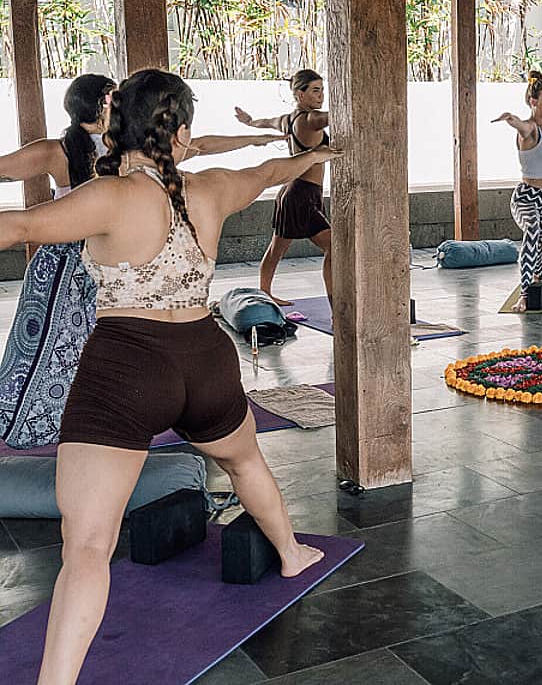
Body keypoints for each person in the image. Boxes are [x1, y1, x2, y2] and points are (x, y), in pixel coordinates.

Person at [2, 70, 335, 685]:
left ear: (117, 127)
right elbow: (269, 173)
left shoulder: (109, 196)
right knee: (245, 461)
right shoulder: (208, 187)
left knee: (88, 547)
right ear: (180, 132)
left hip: (125, 370)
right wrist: (318, 154)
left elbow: (17, 227)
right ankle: (291, 553)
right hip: (205, 360)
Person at [0, 76, 280, 449]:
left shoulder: (142, 145)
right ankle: (49, 422)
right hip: (69, 266)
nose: (115, 103)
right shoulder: (60, 150)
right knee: (54, 351)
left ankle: (124, 420)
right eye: (108, 97)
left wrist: (257, 138)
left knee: (113, 353)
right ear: (92, 105)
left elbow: (201, 145)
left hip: (123, 265)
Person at [234, 69, 331, 306]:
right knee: (335, 250)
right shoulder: (311, 119)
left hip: (295, 191)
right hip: (302, 194)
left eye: (322, 90)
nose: (321, 96)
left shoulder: (287, 119)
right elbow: (343, 113)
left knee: (277, 247)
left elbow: (264, 122)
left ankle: (264, 293)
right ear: (300, 94)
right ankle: (336, 307)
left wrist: (249, 121)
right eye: (315, 90)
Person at [492, 70, 542, 312]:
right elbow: (520, 126)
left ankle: (539, 273)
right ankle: (524, 294)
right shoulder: (531, 128)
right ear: (533, 101)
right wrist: (511, 119)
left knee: (539, 239)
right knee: (531, 234)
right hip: (527, 196)